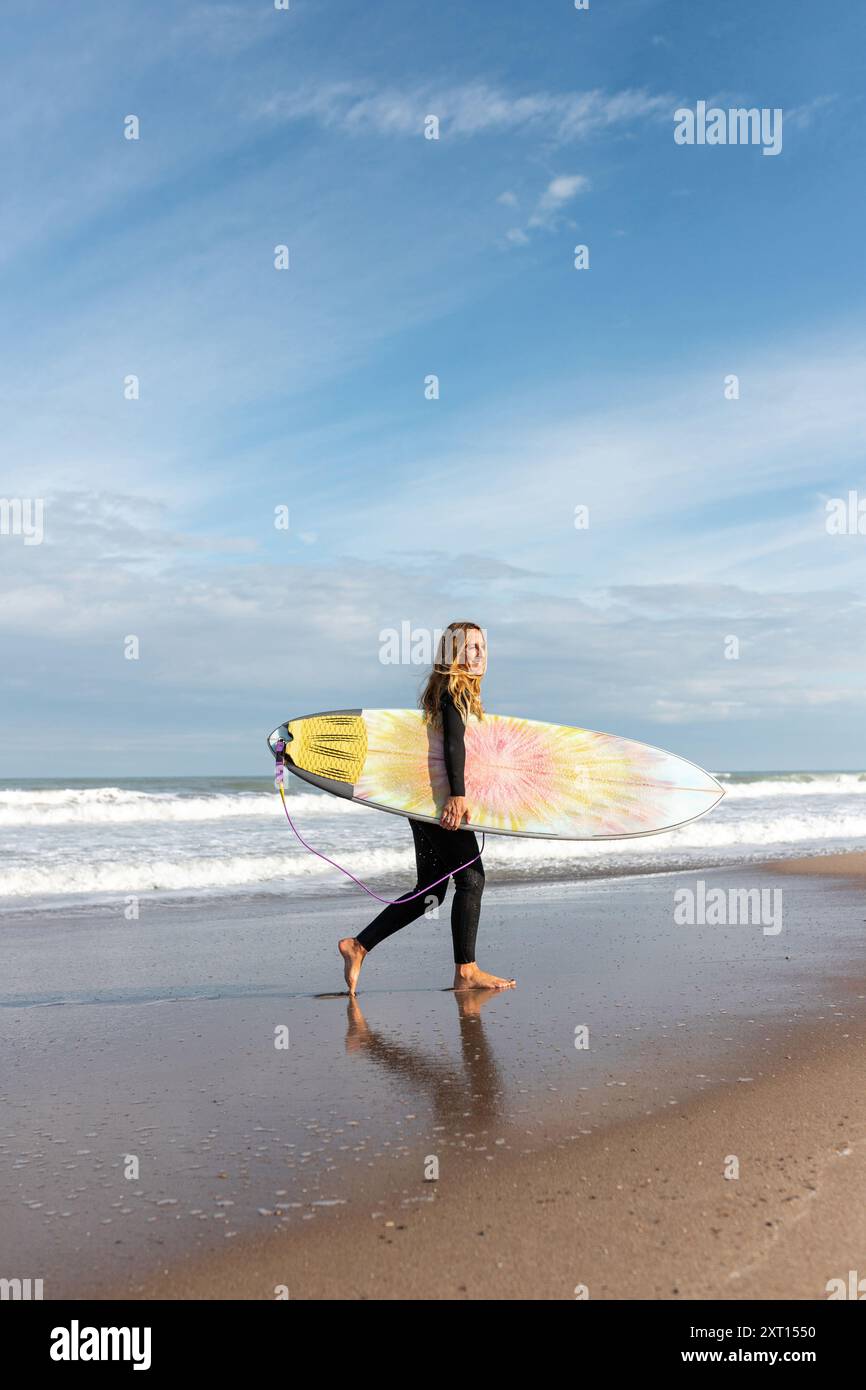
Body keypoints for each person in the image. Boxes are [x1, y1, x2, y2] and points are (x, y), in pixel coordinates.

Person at [338, 622, 516, 995]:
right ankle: (466, 971)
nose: (480, 653)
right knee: (471, 879)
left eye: (483, 645)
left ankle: (358, 946)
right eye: (471, 647)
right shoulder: (454, 692)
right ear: (453, 654)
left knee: (429, 891)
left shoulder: (445, 692)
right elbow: (454, 745)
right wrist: (457, 795)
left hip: (420, 800)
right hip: (439, 802)